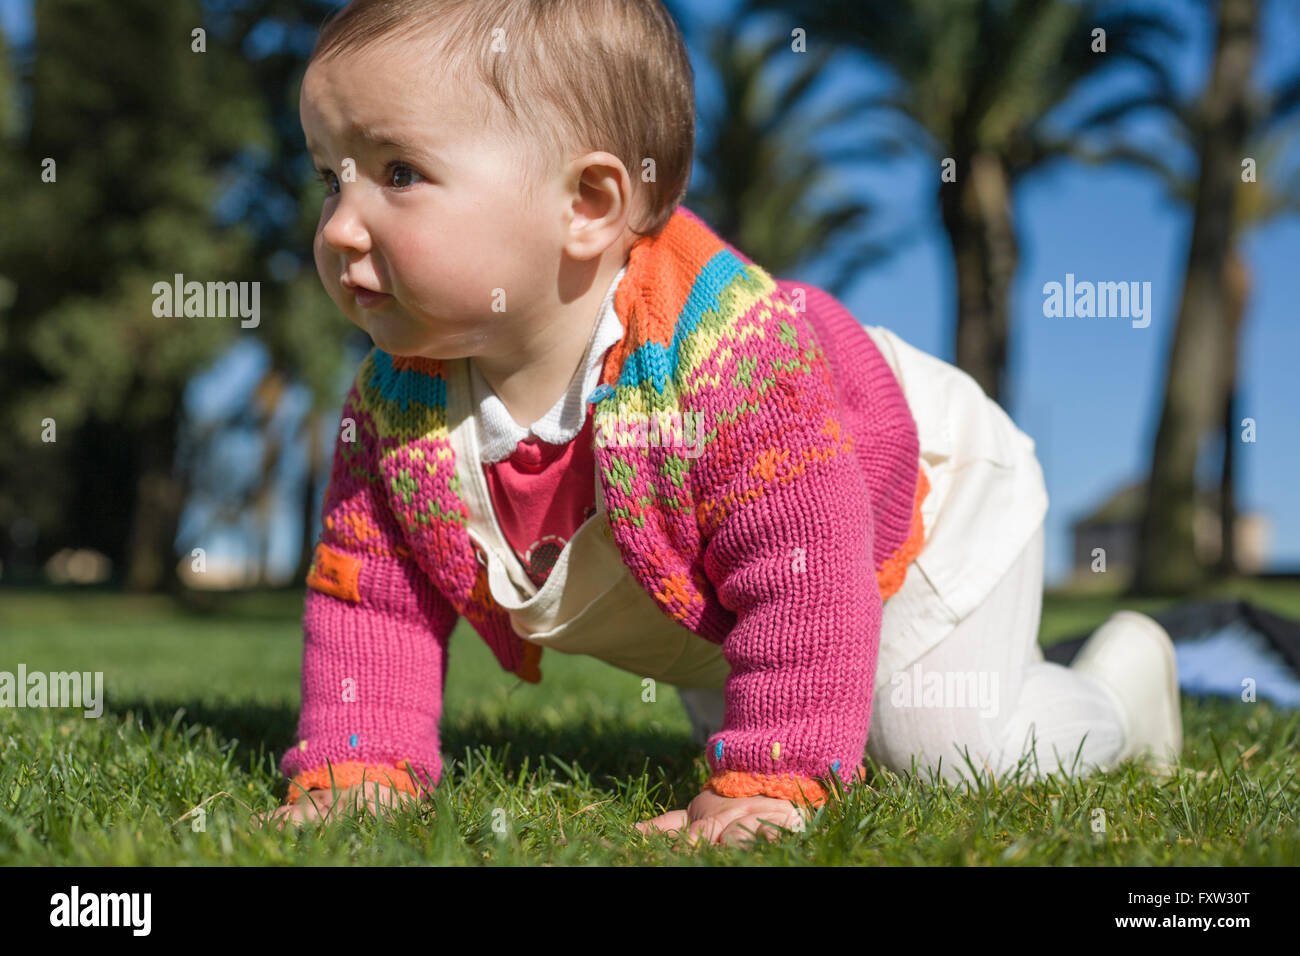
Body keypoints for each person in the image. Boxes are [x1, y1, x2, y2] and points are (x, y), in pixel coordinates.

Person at [259, 0, 1182, 846]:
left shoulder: (729, 367)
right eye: (330, 179)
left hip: (926, 508)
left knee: (937, 748)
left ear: (587, 205)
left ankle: (1117, 690)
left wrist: (771, 780)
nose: (341, 225)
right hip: (718, 590)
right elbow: (369, 594)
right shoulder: (396, 406)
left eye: (399, 172)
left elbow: (804, 564)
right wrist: (361, 765)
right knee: (758, 688)